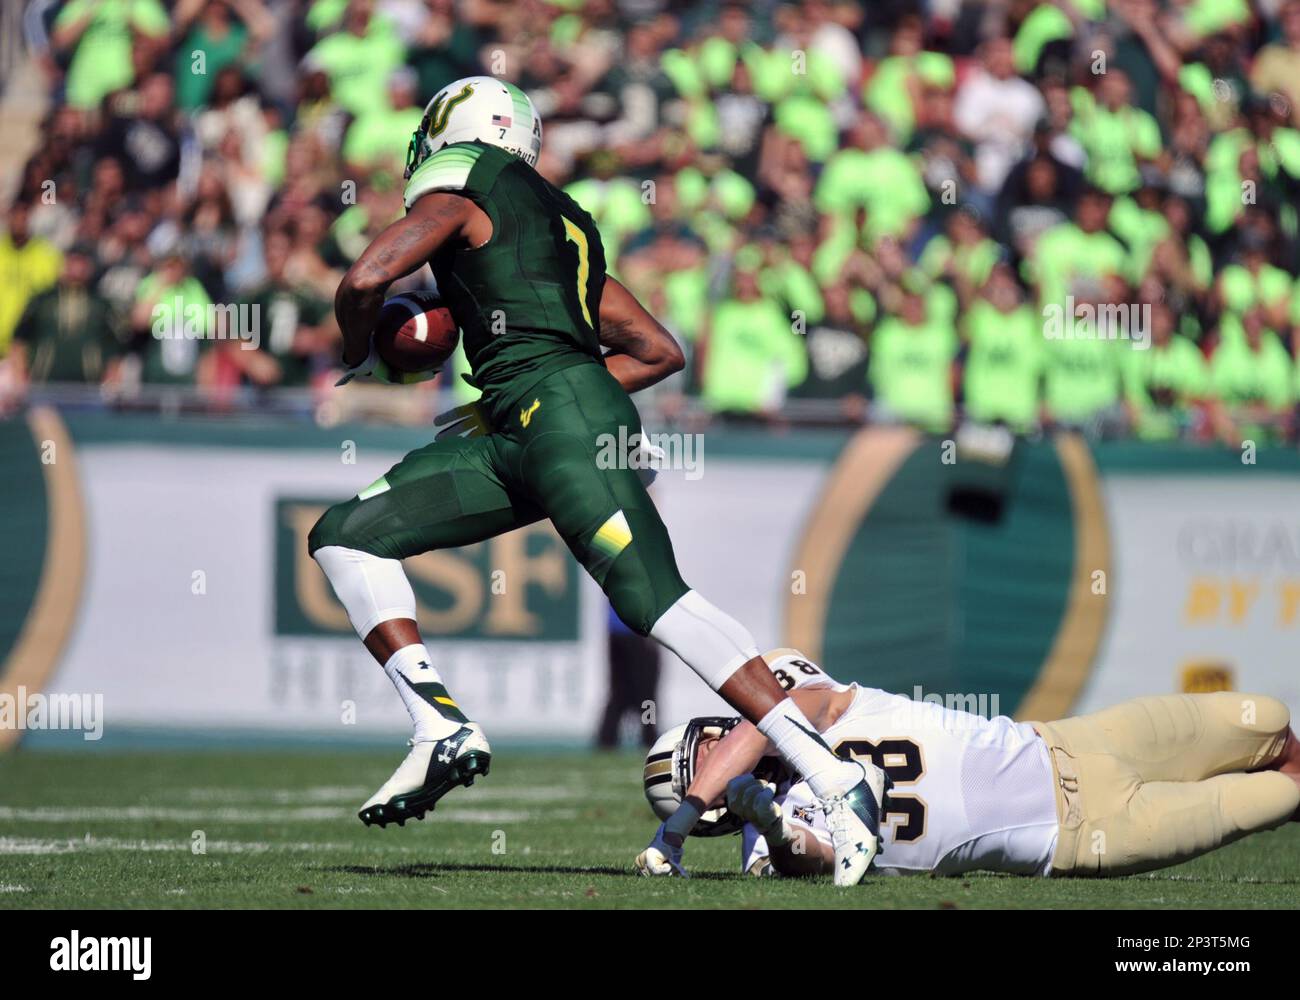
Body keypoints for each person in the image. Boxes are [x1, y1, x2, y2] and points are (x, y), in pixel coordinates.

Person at [307, 76, 887, 886]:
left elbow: (367, 277)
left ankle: (836, 778)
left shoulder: (465, 174)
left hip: (557, 417)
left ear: (460, 129)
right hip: (522, 423)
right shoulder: (558, 217)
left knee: (657, 602)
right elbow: (658, 349)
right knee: (345, 535)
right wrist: (545, 388)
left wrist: (357, 347)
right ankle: (439, 725)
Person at [639, 650, 1300, 879]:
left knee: (1266, 720)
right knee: (1278, 798)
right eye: (707, 780)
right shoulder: (795, 827)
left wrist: (683, 818)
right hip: (1085, 836)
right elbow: (816, 854)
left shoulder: (805, 708)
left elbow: (767, 716)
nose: (719, 771)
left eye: (710, 756)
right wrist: (773, 828)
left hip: (1078, 741)